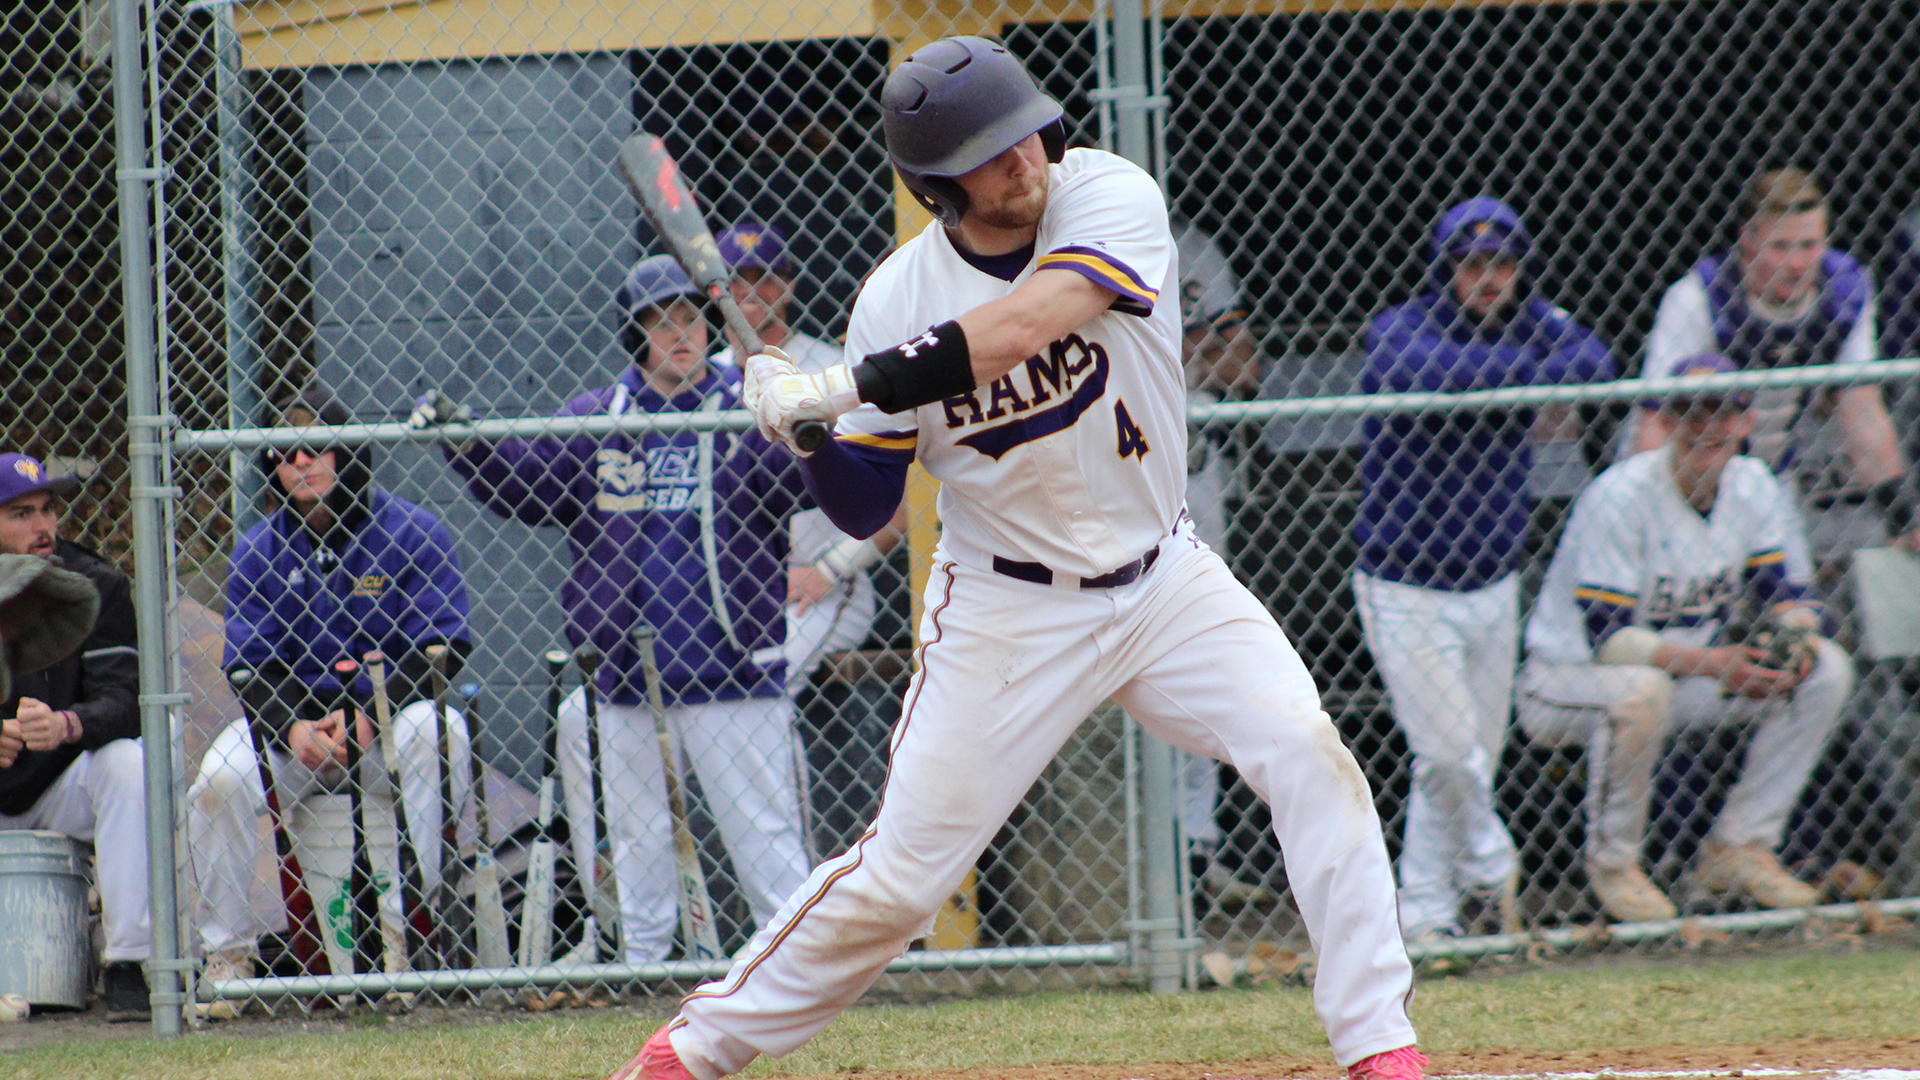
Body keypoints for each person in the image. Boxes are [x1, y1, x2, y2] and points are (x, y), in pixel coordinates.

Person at [610, 37, 1425, 1080]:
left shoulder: (1109, 196)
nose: (1025, 162)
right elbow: (864, 504)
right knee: (902, 882)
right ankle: (688, 1053)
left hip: (1165, 579)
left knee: (1309, 754)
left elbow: (1029, 322)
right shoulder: (898, 298)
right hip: (1007, 611)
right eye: (992, 156)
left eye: (1027, 135)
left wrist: (837, 388)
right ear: (937, 184)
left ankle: (1381, 1050)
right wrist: (798, 431)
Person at [427, 254, 812, 961]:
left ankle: (800, 968)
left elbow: (804, 485)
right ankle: (645, 966)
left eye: (691, 318)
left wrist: (804, 420)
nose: (680, 333)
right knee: (637, 837)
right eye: (661, 321)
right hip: (630, 677)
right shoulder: (600, 417)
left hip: (735, 671)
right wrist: (470, 445)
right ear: (636, 335)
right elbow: (528, 486)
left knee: (764, 834)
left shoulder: (742, 406)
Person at [1353, 198, 1616, 941]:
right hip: (1406, 584)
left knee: (1458, 768)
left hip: (1493, 581)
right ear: (1447, 270)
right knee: (1446, 751)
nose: (1489, 277)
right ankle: (1493, 863)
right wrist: (1524, 374)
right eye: (1472, 264)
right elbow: (1418, 368)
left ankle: (1426, 919)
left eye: (1502, 262)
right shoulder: (1403, 326)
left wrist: (1506, 371)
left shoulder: (1534, 322)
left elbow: (1596, 362)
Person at [1519, 355, 1849, 920]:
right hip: (1566, 682)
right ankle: (1615, 866)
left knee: (1825, 669)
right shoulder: (1622, 495)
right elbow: (1610, 641)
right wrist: (1720, 664)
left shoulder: (1752, 484)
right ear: (1667, 422)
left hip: (1686, 678)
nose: (1708, 428)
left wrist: (1791, 638)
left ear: (1746, 423)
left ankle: (1740, 847)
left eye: (1723, 413)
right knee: (1641, 690)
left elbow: (1792, 593)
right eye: (1691, 414)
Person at [188, 389, 475, 986]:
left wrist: (375, 715)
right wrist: (292, 727)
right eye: (286, 454)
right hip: (299, 737)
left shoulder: (411, 531)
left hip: (386, 728)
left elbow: (444, 649)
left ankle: (412, 941)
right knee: (220, 778)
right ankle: (229, 956)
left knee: (437, 729)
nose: (302, 463)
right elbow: (248, 667)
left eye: (317, 448)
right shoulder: (260, 549)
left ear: (347, 454)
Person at [709, 221, 906, 858]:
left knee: (764, 687)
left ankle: (790, 859)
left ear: (789, 285)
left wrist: (833, 567)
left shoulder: (832, 369)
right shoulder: (704, 377)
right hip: (729, 586)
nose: (754, 292)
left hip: (820, 587)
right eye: (740, 281)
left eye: (768, 277)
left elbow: (902, 505)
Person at [1627, 168, 1919, 558]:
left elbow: (1861, 412)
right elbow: (1655, 425)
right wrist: (1649, 512)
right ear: (1747, 241)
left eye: (1809, 245)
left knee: (1797, 605)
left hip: (1770, 478)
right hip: (1686, 478)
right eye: (1780, 247)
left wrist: (1905, 518)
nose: (1797, 263)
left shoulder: (1845, 292)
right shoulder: (1700, 298)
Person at [0, 452, 150, 1020]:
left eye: (48, 510)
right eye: (20, 514)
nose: (42, 527)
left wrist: (68, 724)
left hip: (58, 786)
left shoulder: (95, 584)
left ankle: (128, 962)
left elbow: (126, 701)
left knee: (127, 764)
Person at [1172, 218, 1274, 909]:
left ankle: (1196, 853)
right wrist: (1190, 348)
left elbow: (1244, 365)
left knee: (1204, 655)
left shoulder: (1196, 247)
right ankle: (1158, 856)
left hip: (1196, 466)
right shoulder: (1064, 226)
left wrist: (1186, 353)